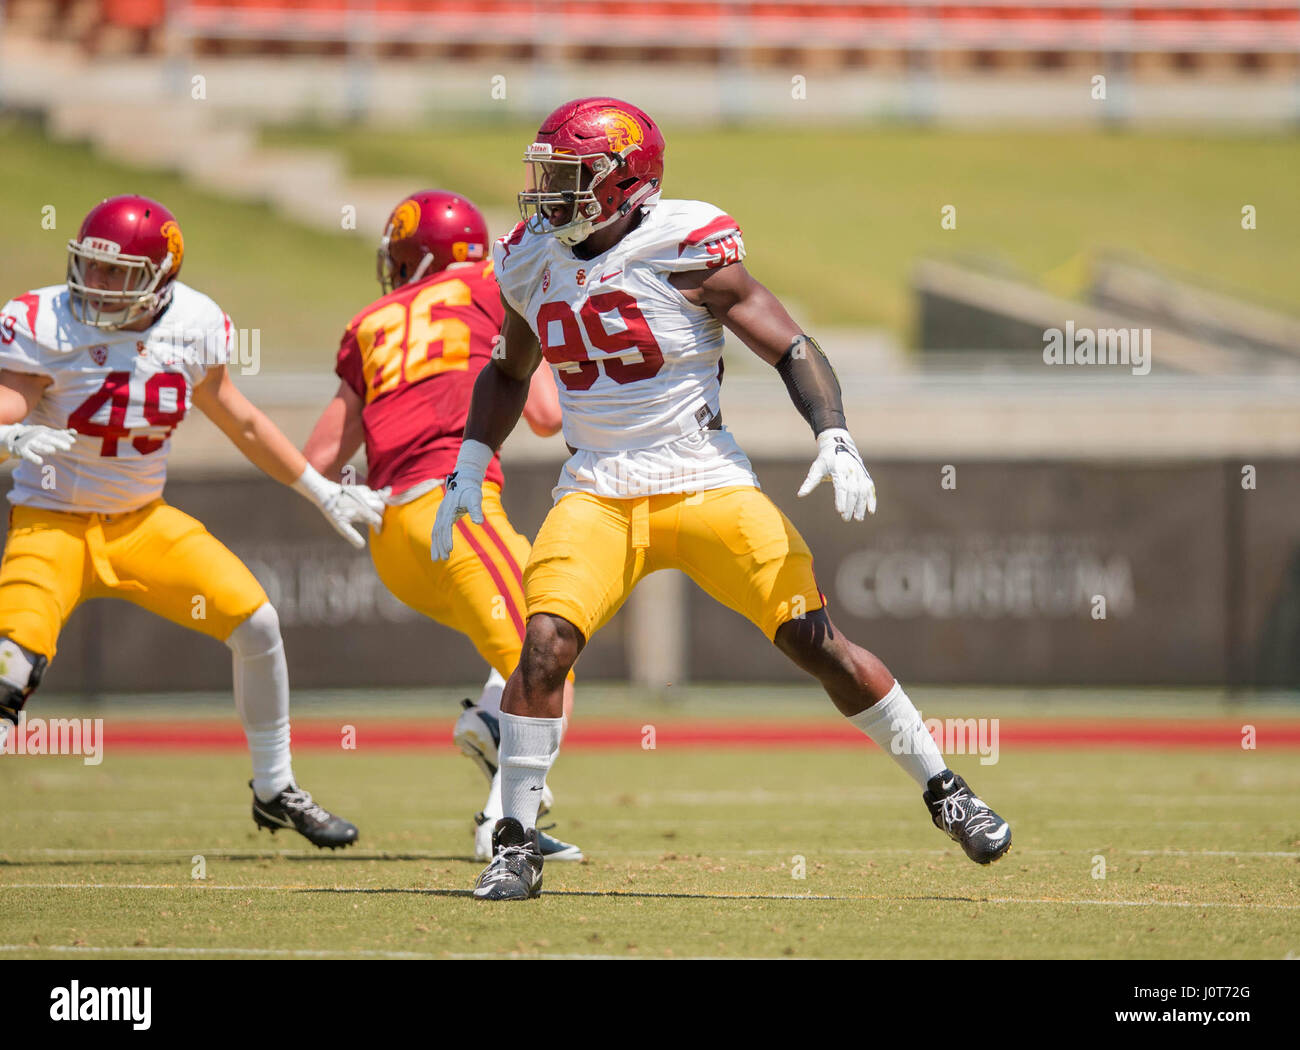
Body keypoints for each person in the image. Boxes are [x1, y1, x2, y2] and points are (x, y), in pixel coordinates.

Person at [431, 98, 1013, 901]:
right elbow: (508, 370)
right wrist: (469, 459)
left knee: (817, 642)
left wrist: (833, 434)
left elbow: (790, 344)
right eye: (549, 175)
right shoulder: (530, 257)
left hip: (702, 478)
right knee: (543, 648)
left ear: (627, 183)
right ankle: (515, 842)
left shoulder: (685, 244)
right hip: (598, 486)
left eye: (571, 178)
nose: (549, 195)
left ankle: (948, 790)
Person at [0, 194, 379, 848]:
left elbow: (242, 419)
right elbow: (9, 405)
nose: (99, 285)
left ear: (161, 279)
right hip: (51, 522)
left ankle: (275, 787)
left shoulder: (195, 323)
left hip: (143, 522)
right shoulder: (43, 321)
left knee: (256, 622)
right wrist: (10, 440)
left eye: (119, 274)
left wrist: (320, 489)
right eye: (92, 267)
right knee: (9, 670)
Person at [302, 190, 582, 862]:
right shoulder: (492, 284)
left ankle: (493, 719)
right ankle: (500, 820)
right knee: (550, 656)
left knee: (531, 642)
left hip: (391, 536)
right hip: (456, 509)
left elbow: (316, 460)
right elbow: (542, 414)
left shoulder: (372, 320)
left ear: (411, 258)